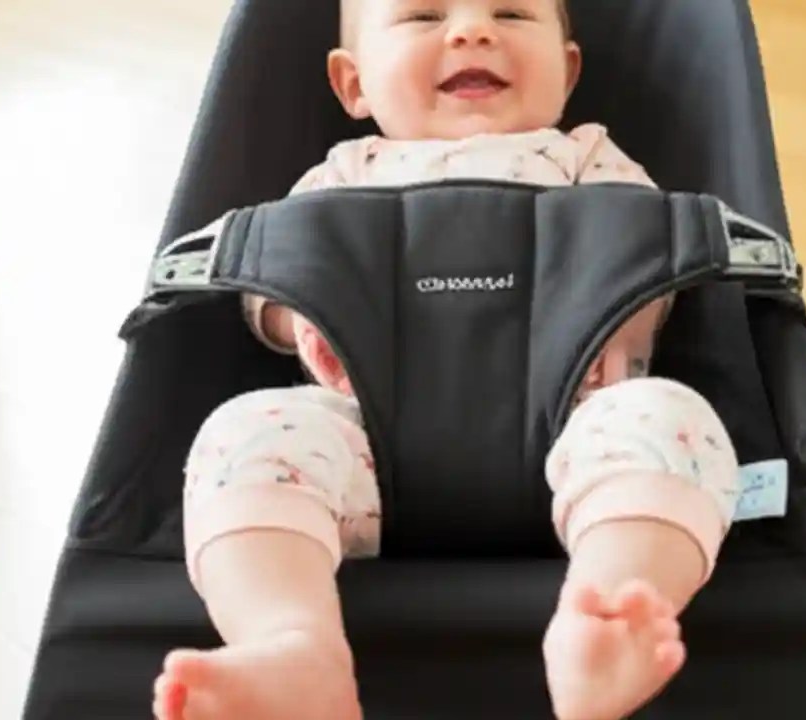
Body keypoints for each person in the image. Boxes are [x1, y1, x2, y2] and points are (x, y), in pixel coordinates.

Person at [153, 2, 741, 718]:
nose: (472, 31)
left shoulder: (586, 157)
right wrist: (302, 317)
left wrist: (618, 318)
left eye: (513, 13)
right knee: (247, 432)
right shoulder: (343, 173)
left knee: (669, 420)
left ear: (569, 70)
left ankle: (606, 614)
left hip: (577, 433)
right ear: (353, 85)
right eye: (424, 14)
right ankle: (294, 642)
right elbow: (269, 287)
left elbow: (650, 262)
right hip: (365, 445)